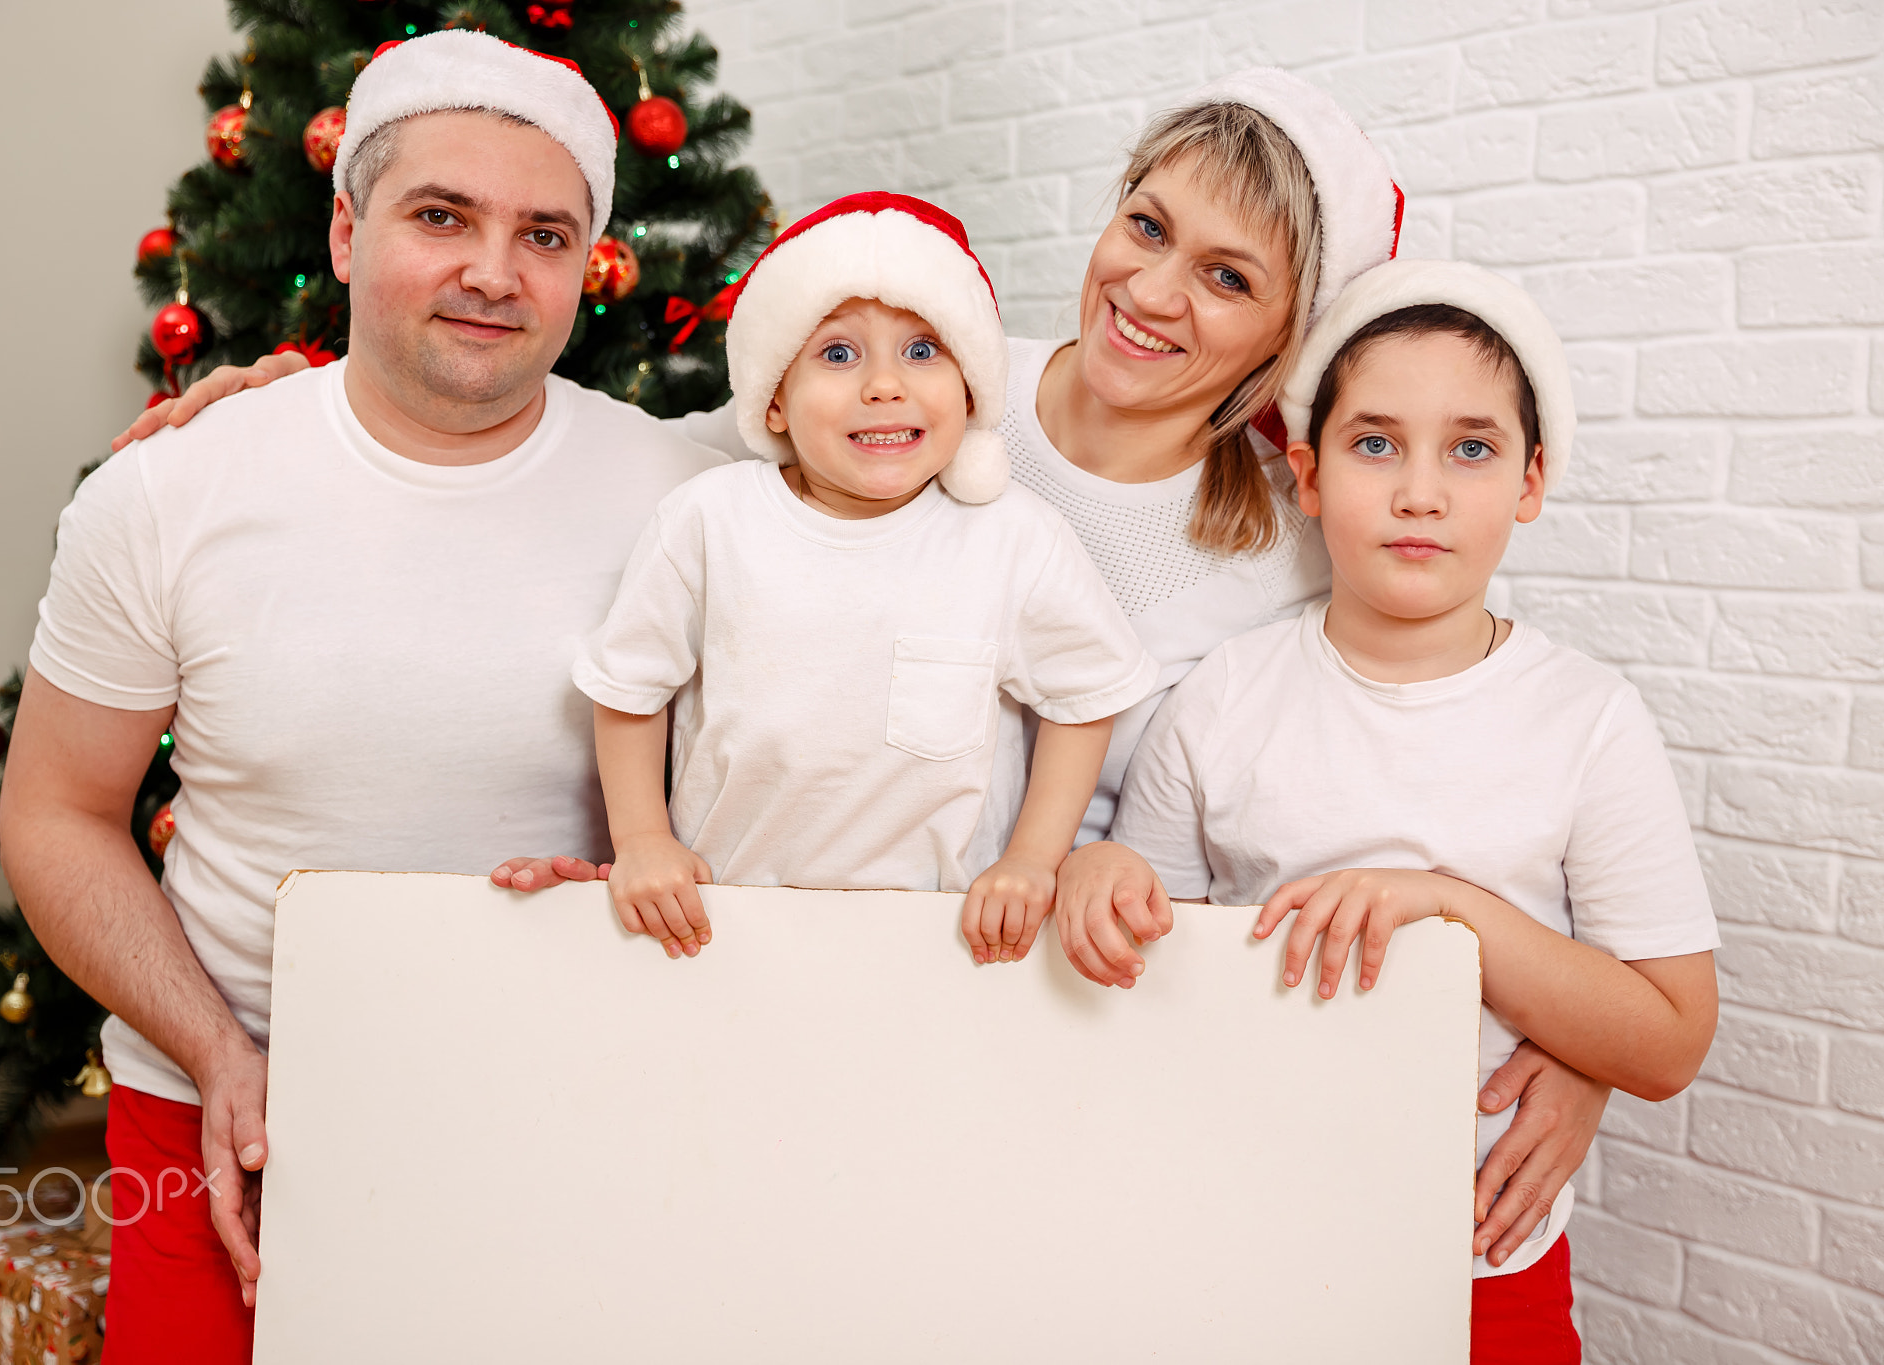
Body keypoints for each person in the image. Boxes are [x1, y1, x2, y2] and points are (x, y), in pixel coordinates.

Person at [111, 64, 1607, 1275]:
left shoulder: (1295, 539)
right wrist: (301, 411)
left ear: (1289, 336)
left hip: (1081, 1017)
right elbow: (598, 472)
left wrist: (1560, 1033)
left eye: (1228, 276)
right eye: (1145, 225)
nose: (1155, 290)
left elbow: (1428, 742)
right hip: (795, 978)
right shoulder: (919, 373)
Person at [0, 32, 724, 1363]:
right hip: (221, 1108)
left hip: (576, 1096)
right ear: (342, 231)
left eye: (545, 236)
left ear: (587, 267)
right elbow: (55, 812)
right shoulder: (170, 491)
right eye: (441, 216)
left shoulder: (694, 493)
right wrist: (217, 1054)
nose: (493, 273)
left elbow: (969, 413)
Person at [1055, 260, 1722, 1362]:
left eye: (1470, 448)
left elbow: (1666, 1042)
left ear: (1530, 480)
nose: (1420, 491)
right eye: (1374, 443)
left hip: (1480, 1270)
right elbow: (1143, 954)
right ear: (1307, 478)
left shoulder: (1586, 721)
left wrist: (1452, 912)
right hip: (1239, 1246)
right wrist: (1092, 877)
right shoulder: (1221, 700)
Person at [515, 193, 1155, 964]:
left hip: (943, 943)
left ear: (971, 388)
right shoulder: (709, 522)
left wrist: (1031, 859)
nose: (885, 385)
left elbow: (1084, 699)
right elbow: (629, 686)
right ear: (775, 399)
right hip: (722, 927)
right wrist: (644, 838)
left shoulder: (1013, 538)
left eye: (923, 351)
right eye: (840, 353)